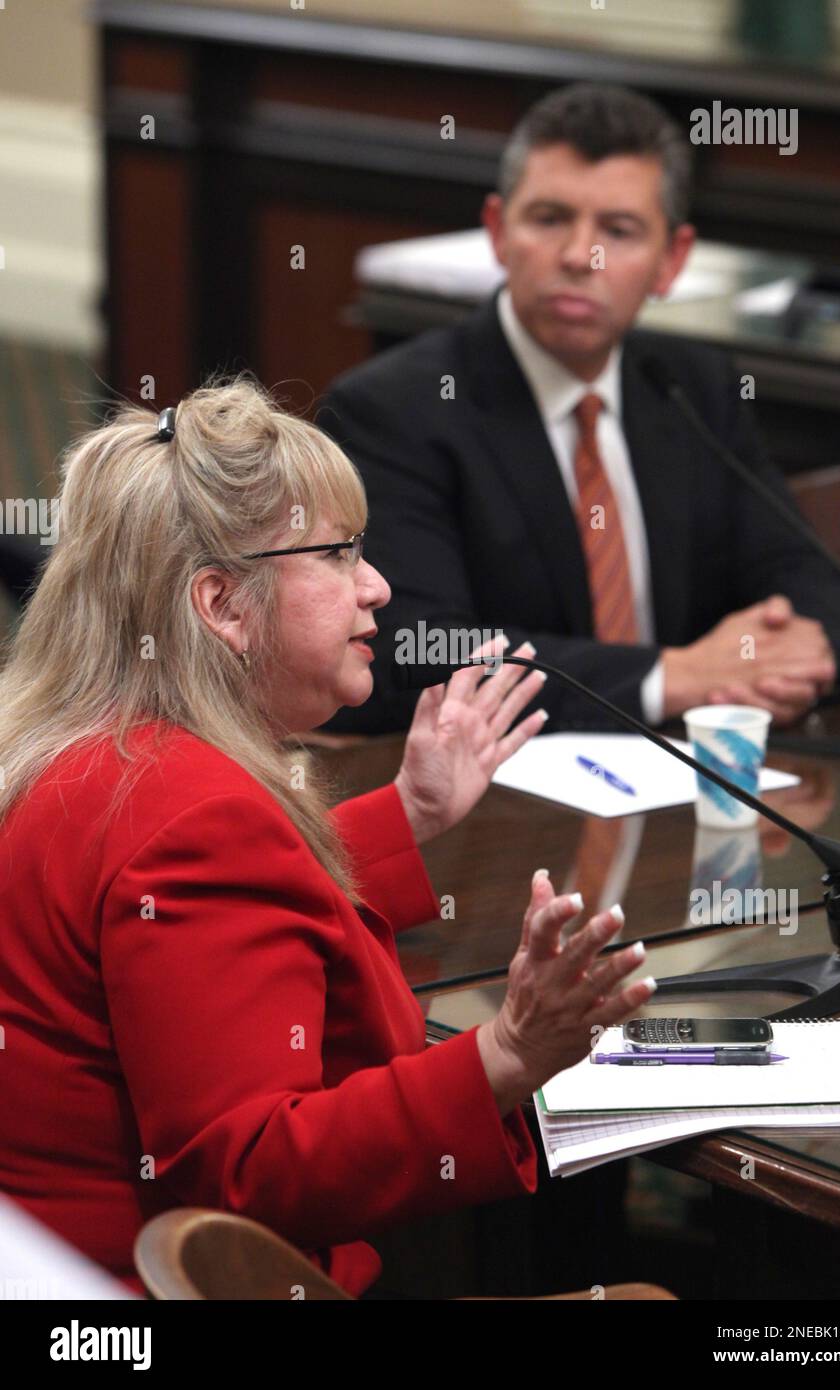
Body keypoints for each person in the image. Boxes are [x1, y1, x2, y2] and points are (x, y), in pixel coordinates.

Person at [0, 378, 653, 1297]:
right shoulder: (193, 817)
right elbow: (251, 1172)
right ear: (223, 605)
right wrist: (505, 1053)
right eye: (339, 554)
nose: (377, 586)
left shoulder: (84, 752)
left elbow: (202, 930)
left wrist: (409, 814)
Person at [318, 83, 840, 737]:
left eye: (619, 230)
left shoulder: (693, 386)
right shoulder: (392, 410)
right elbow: (414, 650)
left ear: (671, 261)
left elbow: (803, 569)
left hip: (689, 783)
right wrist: (674, 676)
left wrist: (793, 653)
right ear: (498, 232)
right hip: (495, 805)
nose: (580, 256)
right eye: (549, 219)